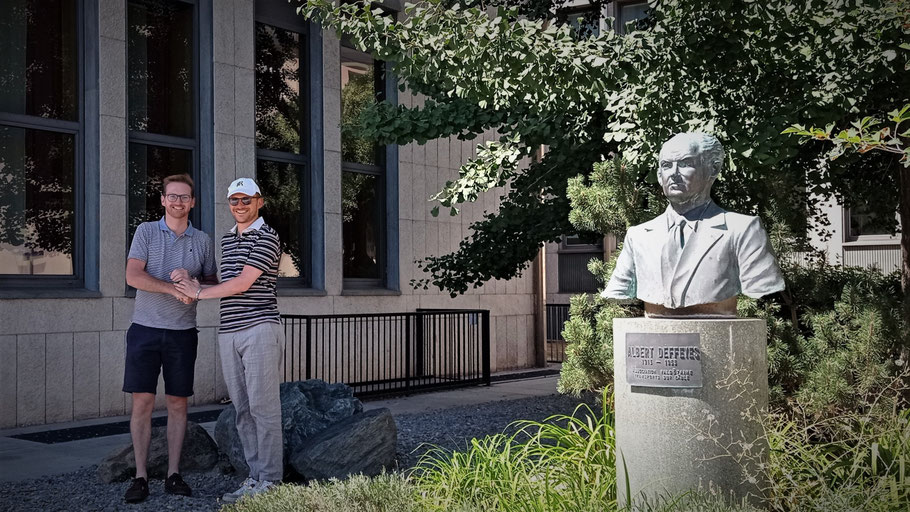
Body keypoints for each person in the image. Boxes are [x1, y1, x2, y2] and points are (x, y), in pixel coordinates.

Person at [173, 177, 284, 503]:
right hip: (229, 331)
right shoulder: (227, 239)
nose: (239, 205)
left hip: (260, 329)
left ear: (259, 202)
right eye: (234, 200)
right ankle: (255, 477)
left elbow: (243, 283)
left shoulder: (267, 236)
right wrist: (190, 281)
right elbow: (224, 282)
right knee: (243, 411)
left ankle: (272, 482)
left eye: (245, 199)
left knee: (264, 410)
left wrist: (198, 293)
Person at [602, 132, 785, 316]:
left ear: (712, 169)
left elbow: (761, 283)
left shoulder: (743, 230)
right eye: (666, 165)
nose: (674, 174)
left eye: (685, 164)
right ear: (659, 175)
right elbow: (620, 289)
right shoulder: (638, 236)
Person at [122, 174, 217, 503]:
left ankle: (173, 474)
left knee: (178, 404)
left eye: (184, 197)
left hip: (182, 333)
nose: (178, 202)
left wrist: (191, 282)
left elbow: (211, 281)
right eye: (172, 196)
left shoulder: (203, 240)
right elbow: (133, 275)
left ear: (192, 203)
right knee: (142, 403)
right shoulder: (146, 231)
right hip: (144, 330)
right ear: (162, 200)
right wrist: (171, 287)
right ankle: (140, 476)